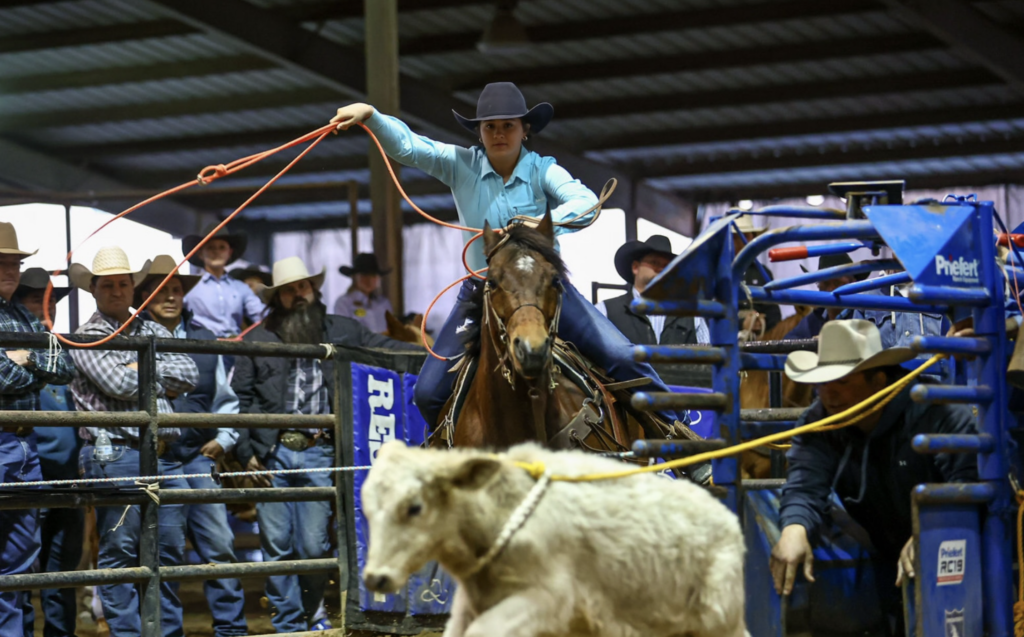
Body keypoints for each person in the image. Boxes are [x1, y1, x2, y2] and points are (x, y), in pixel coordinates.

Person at [331, 82, 690, 429]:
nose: (499, 133)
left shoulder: (542, 168)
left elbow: (584, 202)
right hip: (482, 293)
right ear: (480, 132)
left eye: (508, 126)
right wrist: (372, 116)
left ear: (524, 130)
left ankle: (679, 432)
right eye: (490, 127)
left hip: (545, 290)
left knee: (622, 356)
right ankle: (449, 455)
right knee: (427, 393)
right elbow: (412, 148)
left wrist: (542, 223)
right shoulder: (460, 164)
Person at [231, 257, 418, 633]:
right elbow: (241, 397)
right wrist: (248, 452)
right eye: (288, 290)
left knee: (314, 547)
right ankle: (289, 625)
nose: (297, 295)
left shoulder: (344, 330)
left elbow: (385, 347)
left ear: (314, 290)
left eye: (302, 287)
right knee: (276, 546)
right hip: (272, 453)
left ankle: (306, 610)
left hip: (320, 450)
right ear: (277, 298)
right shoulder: (257, 340)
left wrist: (433, 352)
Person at [769, 320, 977, 635]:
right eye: (822, 383)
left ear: (878, 380)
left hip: (953, 552)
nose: (829, 394)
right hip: (883, 550)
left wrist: (932, 530)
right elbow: (804, 482)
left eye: (841, 381)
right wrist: (794, 527)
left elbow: (969, 482)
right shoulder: (820, 421)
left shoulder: (936, 410)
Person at [68, 247, 199, 637]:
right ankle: (129, 634)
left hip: (159, 454)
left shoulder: (149, 329)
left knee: (168, 553)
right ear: (93, 289)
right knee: (120, 554)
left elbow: (189, 372)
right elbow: (118, 384)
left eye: (123, 283)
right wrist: (154, 372)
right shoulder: (87, 335)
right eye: (107, 284)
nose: (116, 290)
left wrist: (136, 365)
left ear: (133, 287)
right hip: (116, 453)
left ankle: (163, 632)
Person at [135, 255, 248, 637]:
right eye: (161, 290)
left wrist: (224, 439)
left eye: (176, 289)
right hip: (160, 460)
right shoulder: (135, 336)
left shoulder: (203, 339)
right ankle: (169, 632)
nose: (170, 296)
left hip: (199, 456)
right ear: (146, 296)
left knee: (219, 546)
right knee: (165, 554)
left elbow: (225, 397)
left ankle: (231, 630)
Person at [0, 224, 75, 637]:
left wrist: (23, 358)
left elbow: (65, 367)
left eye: (15, 263)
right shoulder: (21, 316)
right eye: (2, 263)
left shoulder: (23, 315)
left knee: (20, 553)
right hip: (6, 442)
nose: (10, 270)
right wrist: (33, 364)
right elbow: (1, 378)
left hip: (24, 444)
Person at [12, 268, 82, 637]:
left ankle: (60, 633)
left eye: (51, 299)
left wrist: (34, 362)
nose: (46, 305)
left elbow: (71, 381)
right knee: (18, 562)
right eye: (36, 298)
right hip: (25, 464)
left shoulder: (58, 347)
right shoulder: (12, 344)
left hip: (64, 470)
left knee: (62, 564)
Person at [597, 235, 709, 345]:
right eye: (655, 262)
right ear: (635, 267)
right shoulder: (604, 311)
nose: (662, 269)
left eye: (667, 266)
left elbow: (709, 358)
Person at [182, 224, 265, 338]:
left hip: (235, 348)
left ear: (229, 252)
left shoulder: (241, 288)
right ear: (200, 253)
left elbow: (261, 315)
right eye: (211, 247)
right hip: (202, 348)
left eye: (222, 247)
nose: (216, 252)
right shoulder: (190, 286)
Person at [784, 254, 864, 340]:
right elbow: (788, 341)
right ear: (819, 286)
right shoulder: (816, 317)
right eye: (825, 284)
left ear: (853, 283)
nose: (830, 289)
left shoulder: (865, 313)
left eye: (837, 283)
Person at [732, 214, 782, 335]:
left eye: (746, 236)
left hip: (760, 339)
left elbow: (774, 314)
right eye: (736, 237)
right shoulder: (716, 273)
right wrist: (741, 323)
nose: (741, 242)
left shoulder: (762, 272)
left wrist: (761, 321)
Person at [334, 253, 394, 333]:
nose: (369, 280)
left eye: (373, 275)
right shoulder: (344, 303)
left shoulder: (384, 303)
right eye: (364, 275)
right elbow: (344, 333)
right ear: (354, 277)